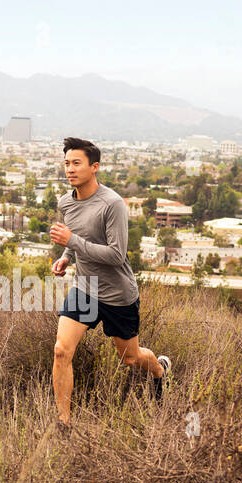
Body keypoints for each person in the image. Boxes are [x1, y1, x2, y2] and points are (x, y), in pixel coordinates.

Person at [49, 136, 170, 432]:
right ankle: (63, 423)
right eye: (67, 163)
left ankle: (160, 369)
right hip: (84, 288)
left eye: (77, 163)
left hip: (118, 295)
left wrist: (71, 242)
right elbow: (75, 237)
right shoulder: (66, 202)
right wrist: (66, 256)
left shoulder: (112, 204)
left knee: (130, 358)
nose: (70, 169)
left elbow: (116, 256)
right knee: (61, 350)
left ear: (95, 167)